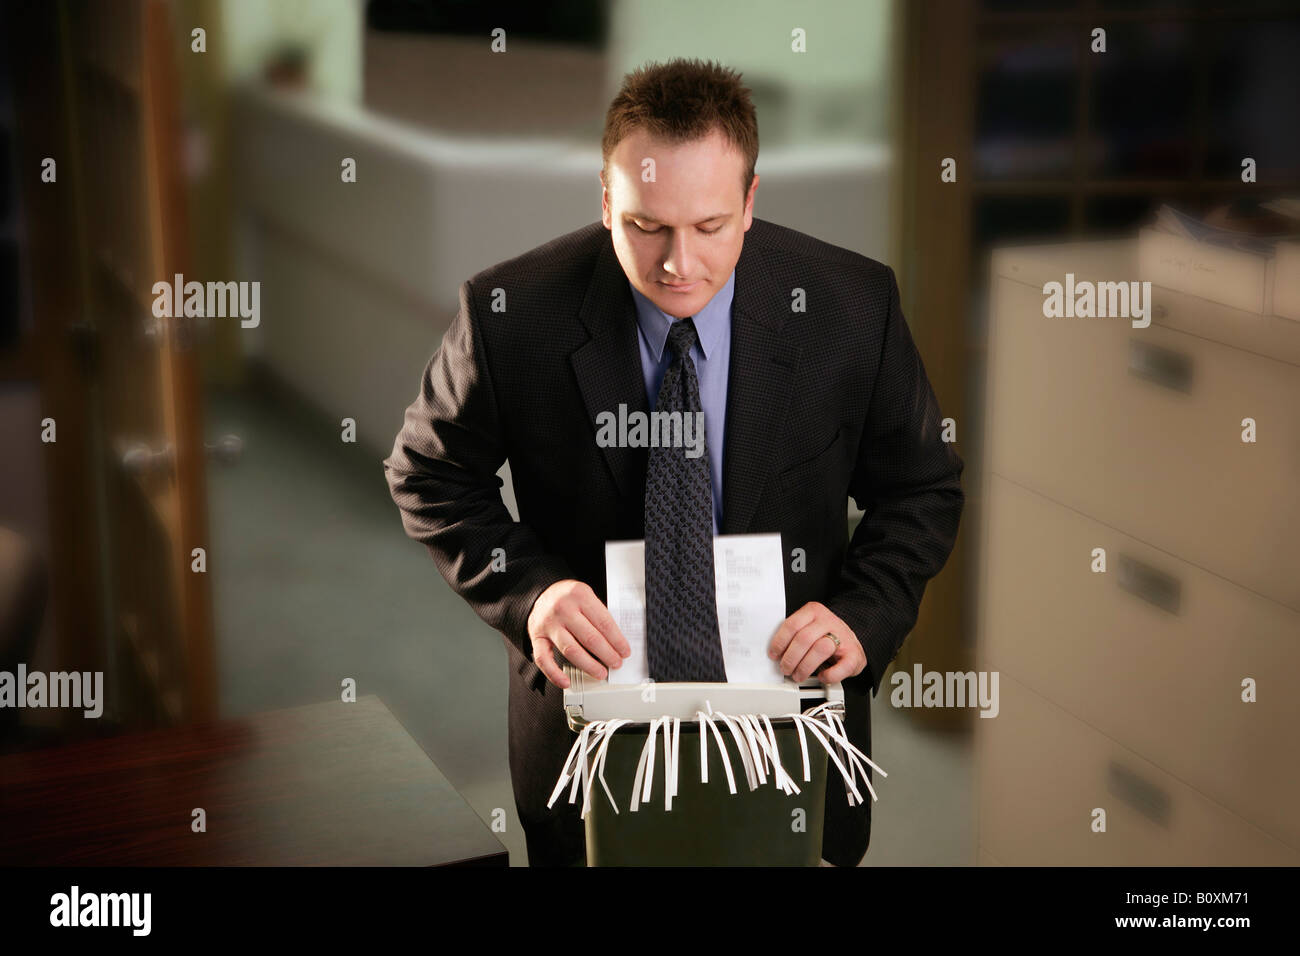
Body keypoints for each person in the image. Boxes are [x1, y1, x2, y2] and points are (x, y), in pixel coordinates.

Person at [384, 58, 964, 866]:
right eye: (645, 224)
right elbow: (427, 473)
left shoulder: (849, 307)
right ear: (604, 199)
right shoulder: (511, 314)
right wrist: (533, 595)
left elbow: (923, 487)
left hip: (795, 732)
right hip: (588, 740)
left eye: (710, 226)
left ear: (752, 202)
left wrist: (864, 615)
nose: (676, 264)